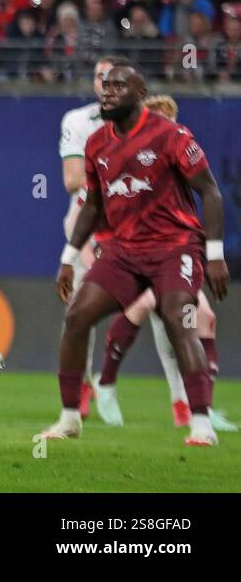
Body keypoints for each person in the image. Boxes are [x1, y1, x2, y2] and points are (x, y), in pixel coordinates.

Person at [42, 60, 229, 447]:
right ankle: (70, 417)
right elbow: (92, 205)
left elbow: (210, 192)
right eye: (105, 86)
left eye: (118, 87)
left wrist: (213, 254)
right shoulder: (96, 143)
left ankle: (200, 422)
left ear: (140, 94)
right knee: (76, 315)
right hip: (124, 251)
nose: (108, 92)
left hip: (174, 246)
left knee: (180, 318)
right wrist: (67, 256)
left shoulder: (172, 135)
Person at [91, 93, 235, 432]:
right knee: (142, 305)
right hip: (134, 256)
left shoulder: (178, 154)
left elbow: (204, 195)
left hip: (174, 253)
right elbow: (98, 205)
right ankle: (106, 384)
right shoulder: (119, 157)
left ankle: (202, 406)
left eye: (168, 122)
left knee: (205, 319)